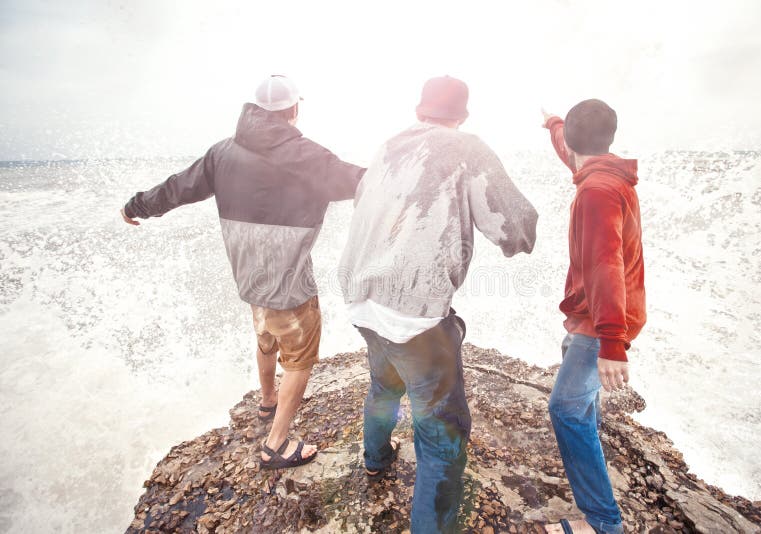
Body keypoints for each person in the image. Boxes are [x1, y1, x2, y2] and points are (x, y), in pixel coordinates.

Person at [121, 75, 365, 470]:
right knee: (300, 361)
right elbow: (360, 181)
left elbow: (178, 188)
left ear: (252, 110)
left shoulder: (222, 153)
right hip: (289, 285)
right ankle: (276, 444)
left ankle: (268, 400)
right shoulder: (307, 156)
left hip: (249, 279)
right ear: (293, 110)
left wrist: (136, 206)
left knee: (266, 336)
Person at [339, 75, 539, 533]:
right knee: (442, 435)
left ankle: (375, 458)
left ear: (419, 109)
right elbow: (516, 229)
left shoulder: (388, 146)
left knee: (384, 383)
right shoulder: (466, 146)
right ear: (462, 116)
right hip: (413, 315)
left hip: (361, 297)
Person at [541, 99, 646, 534]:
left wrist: (612, 343)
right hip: (597, 312)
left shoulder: (596, 192)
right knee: (579, 402)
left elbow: (605, 266)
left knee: (564, 409)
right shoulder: (601, 171)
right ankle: (592, 446)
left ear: (573, 143)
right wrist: (552, 122)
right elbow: (569, 149)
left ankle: (604, 523)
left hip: (601, 318)